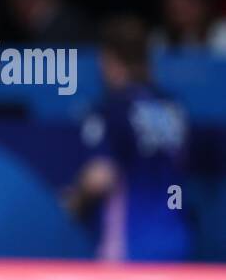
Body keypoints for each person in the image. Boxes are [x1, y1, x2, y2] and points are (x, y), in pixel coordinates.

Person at [63, 16, 191, 262]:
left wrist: (74, 201)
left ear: (109, 61)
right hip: (176, 239)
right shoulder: (173, 107)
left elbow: (101, 176)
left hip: (130, 245)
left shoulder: (113, 109)